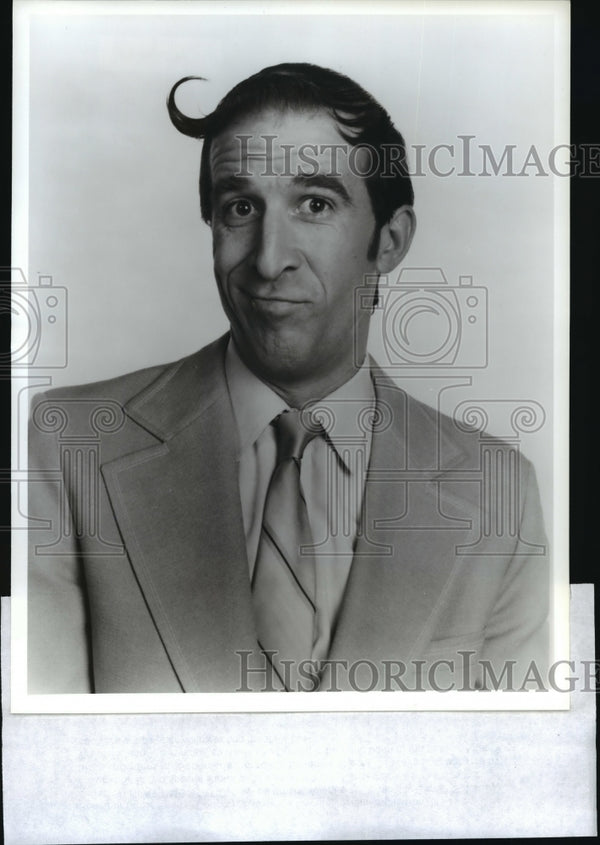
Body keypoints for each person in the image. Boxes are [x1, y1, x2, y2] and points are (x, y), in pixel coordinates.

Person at [27, 63, 549, 694]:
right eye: (240, 207)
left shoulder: (500, 493)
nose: (269, 259)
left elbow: (511, 775)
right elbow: (44, 759)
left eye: (315, 204)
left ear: (390, 241)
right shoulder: (66, 446)